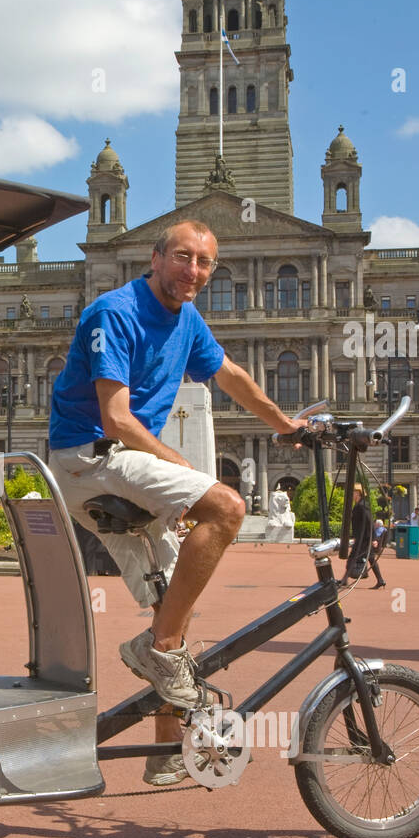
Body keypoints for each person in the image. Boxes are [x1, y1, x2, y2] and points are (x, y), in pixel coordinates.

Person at [47, 219, 307, 786]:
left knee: (176, 603)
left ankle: (166, 751)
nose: (194, 270)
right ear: (155, 257)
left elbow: (232, 375)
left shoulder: (187, 319)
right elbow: (116, 419)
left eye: (205, 262)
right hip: (88, 459)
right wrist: (177, 462)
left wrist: (285, 423)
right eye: (183, 257)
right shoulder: (114, 312)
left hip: (115, 460)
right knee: (228, 508)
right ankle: (158, 647)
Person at [339, 483, 371, 586]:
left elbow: (369, 522)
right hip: (361, 537)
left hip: (363, 538)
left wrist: (372, 538)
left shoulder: (362, 506)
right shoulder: (358, 505)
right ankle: (380, 580)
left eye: (352, 492)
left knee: (352, 557)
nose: (351, 495)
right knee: (371, 558)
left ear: (358, 493)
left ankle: (345, 579)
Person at [368, 517, 389, 588]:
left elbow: (376, 537)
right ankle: (380, 580)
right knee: (371, 560)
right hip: (376, 547)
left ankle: (380, 580)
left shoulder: (379, 530)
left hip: (373, 547)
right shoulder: (384, 529)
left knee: (370, 559)